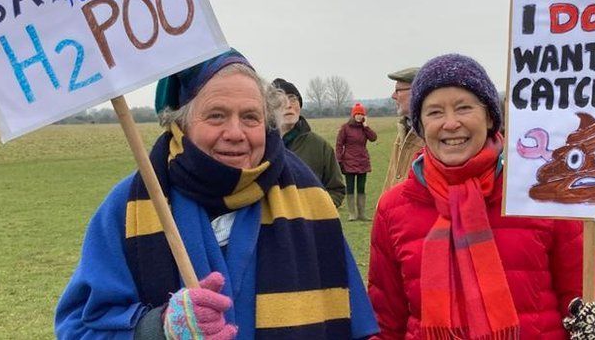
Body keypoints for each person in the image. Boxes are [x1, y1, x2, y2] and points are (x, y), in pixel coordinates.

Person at [55, 50, 378, 339]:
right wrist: (157, 329)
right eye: (216, 116)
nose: (235, 133)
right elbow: (78, 328)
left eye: (250, 117)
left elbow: (354, 325)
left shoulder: (310, 201)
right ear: (180, 124)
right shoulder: (128, 206)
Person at [368, 54, 595, 339]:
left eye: (464, 108)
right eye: (435, 112)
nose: (451, 123)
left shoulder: (542, 195)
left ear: (490, 116)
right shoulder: (393, 209)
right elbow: (385, 323)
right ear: (420, 123)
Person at [271, 77, 346, 207]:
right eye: (280, 100)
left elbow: (336, 189)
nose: (288, 105)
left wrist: (317, 213)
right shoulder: (259, 146)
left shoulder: (319, 146)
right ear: (269, 109)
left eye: (293, 99)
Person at [382, 67, 424, 192]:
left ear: (416, 92)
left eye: (398, 90)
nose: (393, 96)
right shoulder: (403, 130)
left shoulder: (431, 136)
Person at [336, 102, 378, 221]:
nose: (359, 116)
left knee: (361, 187)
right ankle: (352, 214)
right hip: (348, 161)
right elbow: (339, 144)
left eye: (361, 114)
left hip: (362, 161)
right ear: (353, 115)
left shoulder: (364, 129)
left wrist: (366, 126)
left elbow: (374, 138)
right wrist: (338, 159)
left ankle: (362, 213)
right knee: (350, 187)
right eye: (357, 114)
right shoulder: (345, 128)